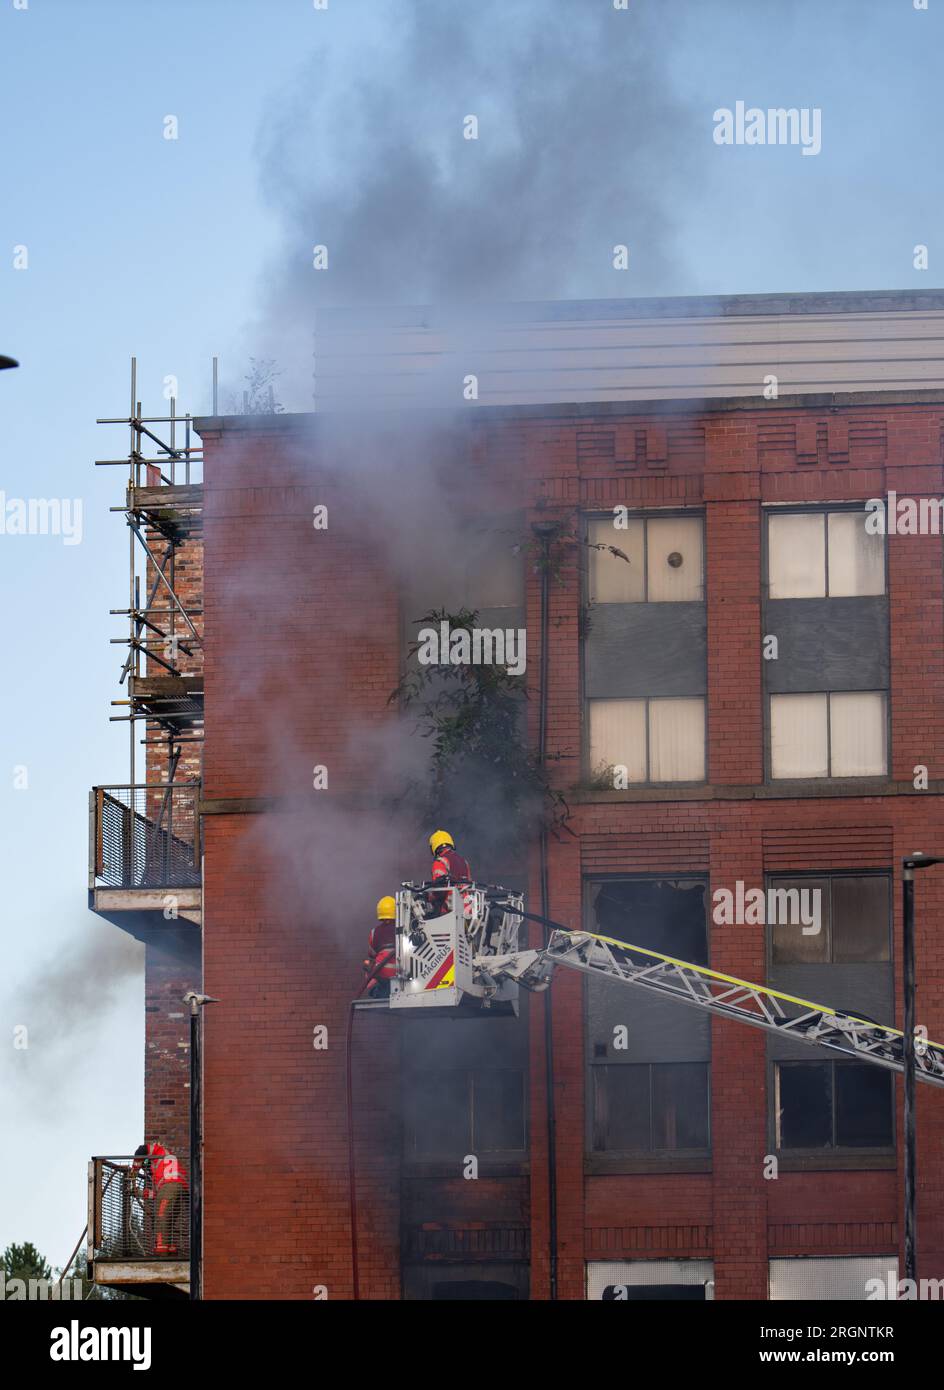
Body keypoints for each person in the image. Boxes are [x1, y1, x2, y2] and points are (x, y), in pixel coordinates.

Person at [132, 1141, 189, 1256]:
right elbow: (158, 1195)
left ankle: (161, 1248)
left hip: (170, 1185)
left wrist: (134, 1172)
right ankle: (170, 1247)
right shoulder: (163, 1169)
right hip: (180, 1189)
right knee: (169, 1219)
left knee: (161, 1215)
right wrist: (139, 1193)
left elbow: (141, 1150)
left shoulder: (158, 1151)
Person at [428, 830, 473, 918]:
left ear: (434, 847)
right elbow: (469, 884)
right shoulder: (464, 862)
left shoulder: (440, 862)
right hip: (467, 909)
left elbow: (439, 890)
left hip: (449, 912)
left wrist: (429, 897)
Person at [364, 896, 397, 997]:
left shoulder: (374, 933)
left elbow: (371, 953)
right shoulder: (403, 930)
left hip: (380, 975)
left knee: (368, 970)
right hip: (399, 976)